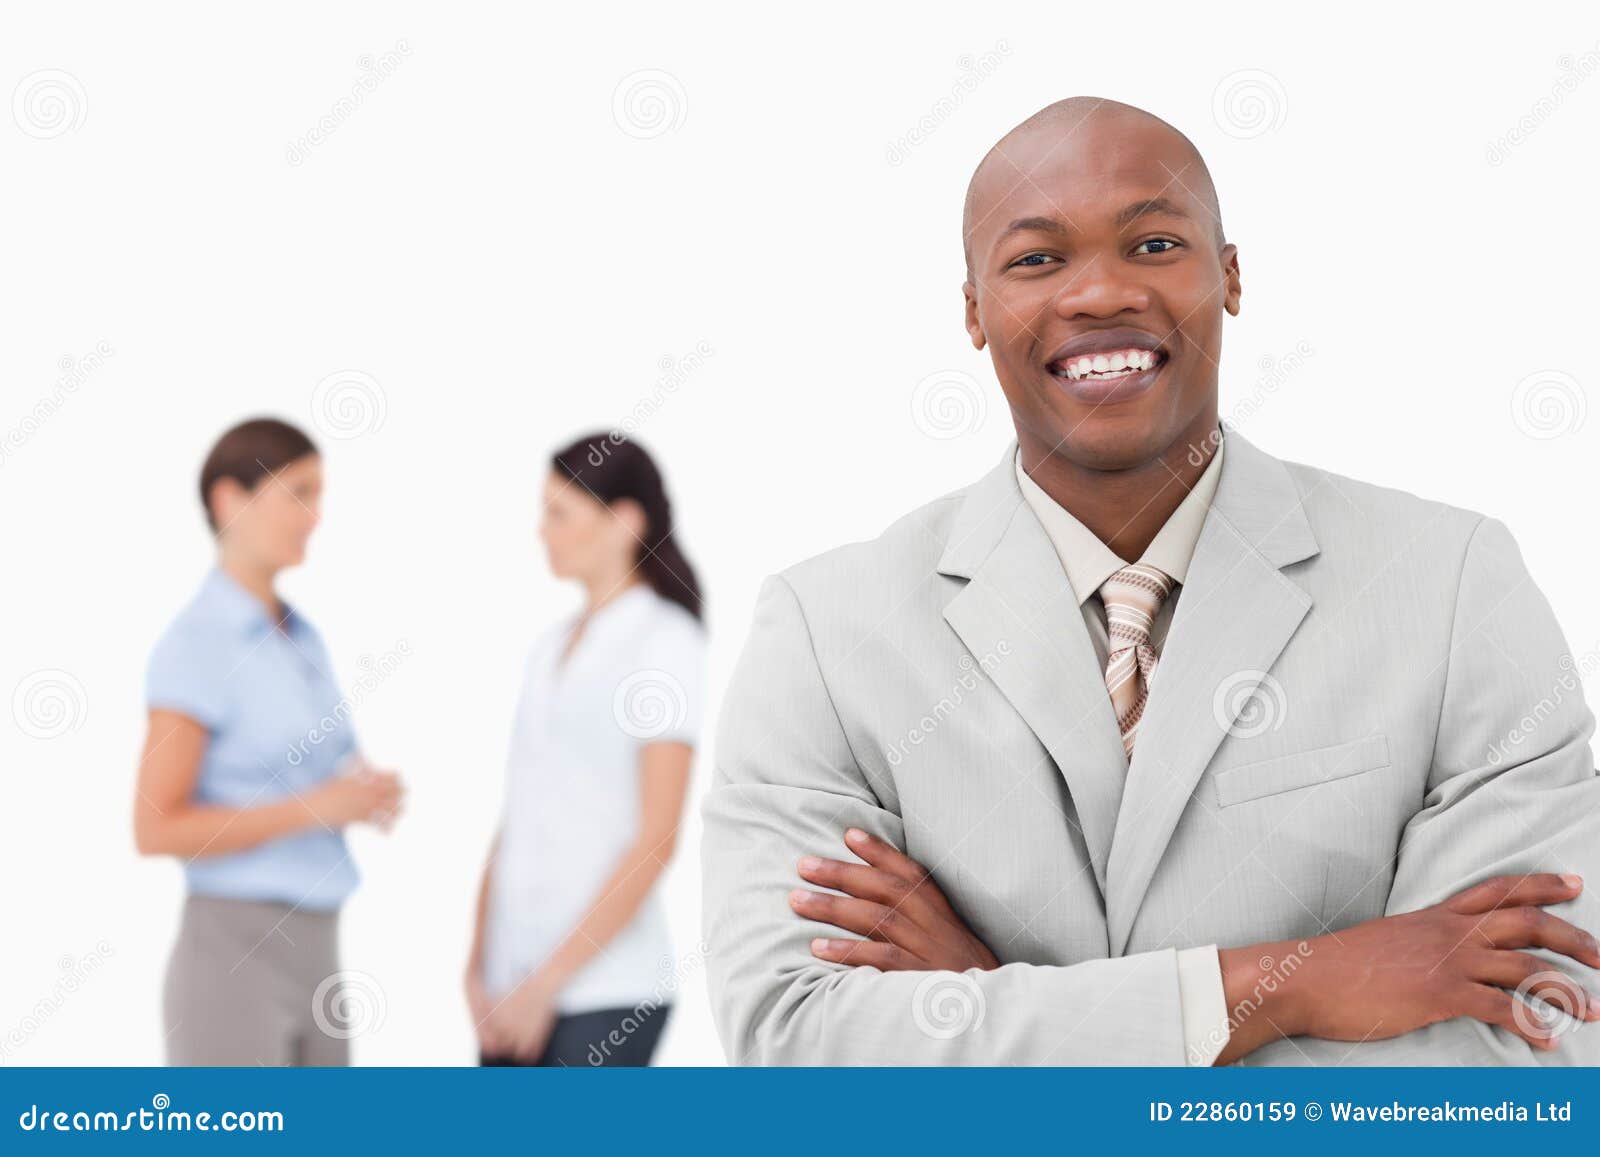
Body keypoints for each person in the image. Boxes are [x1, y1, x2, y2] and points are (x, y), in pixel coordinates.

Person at [701, 97, 1600, 1066]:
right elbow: (792, 1040)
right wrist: (1292, 982)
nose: (1097, 293)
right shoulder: (825, 629)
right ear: (972, 309)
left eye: (1154, 242)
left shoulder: (1450, 580)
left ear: (1230, 274)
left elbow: (1536, 1036)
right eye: (1037, 258)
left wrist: (987, 1005)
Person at [134, 417, 405, 1066]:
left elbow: (322, 772)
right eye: (299, 493)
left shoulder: (301, 637)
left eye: (320, 496)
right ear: (230, 500)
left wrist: (362, 793)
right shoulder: (197, 644)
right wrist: (319, 806)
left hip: (318, 944)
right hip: (235, 951)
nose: (315, 516)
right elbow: (154, 827)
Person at [466, 434, 706, 1066]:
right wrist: (476, 968)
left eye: (559, 512)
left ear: (624, 522)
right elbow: (515, 819)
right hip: (509, 990)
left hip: (605, 993)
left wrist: (548, 984)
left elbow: (656, 839)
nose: (542, 531)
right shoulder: (547, 649)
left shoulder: (664, 642)